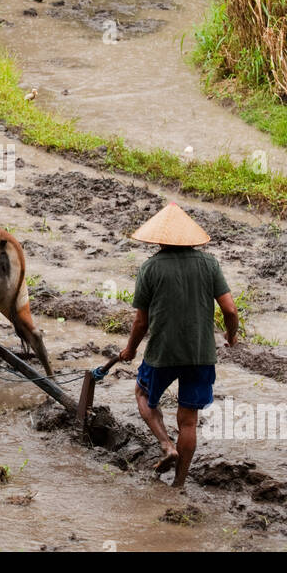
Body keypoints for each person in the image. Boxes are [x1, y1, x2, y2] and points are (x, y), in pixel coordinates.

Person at [118, 202, 238, 490]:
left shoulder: (150, 268)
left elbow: (141, 322)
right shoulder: (210, 265)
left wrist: (131, 350)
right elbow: (230, 310)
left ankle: (165, 445)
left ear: (158, 238)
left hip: (163, 352)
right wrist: (231, 336)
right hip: (200, 354)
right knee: (188, 421)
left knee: (143, 394)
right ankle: (179, 485)